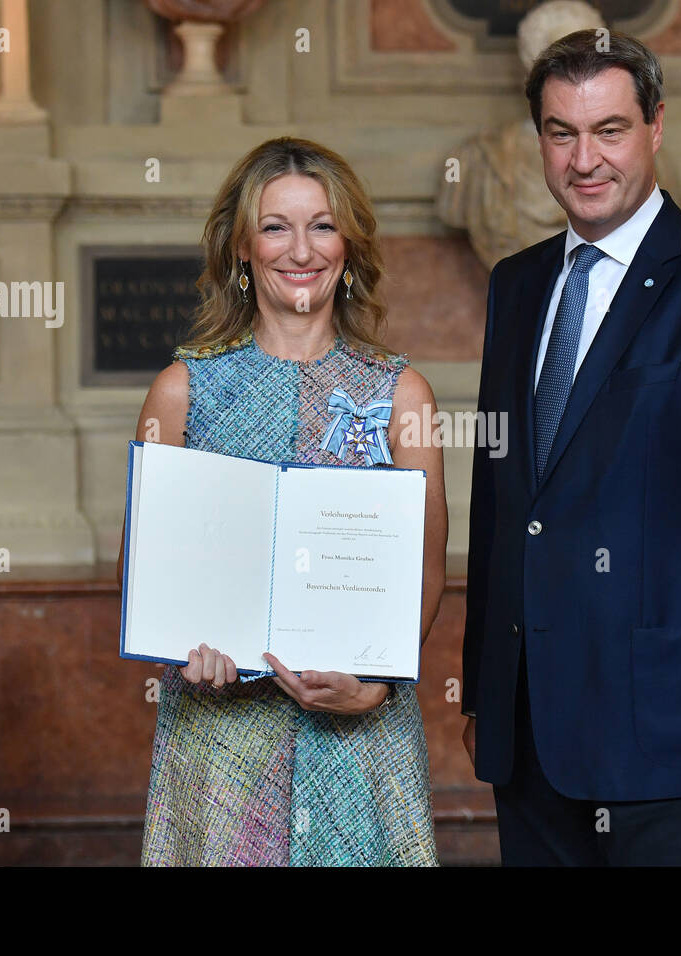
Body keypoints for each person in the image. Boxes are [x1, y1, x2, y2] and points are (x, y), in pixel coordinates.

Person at [460, 30, 681, 866]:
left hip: (673, 737)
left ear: (656, 127)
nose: (584, 159)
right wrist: (486, 685)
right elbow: (501, 502)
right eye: (562, 133)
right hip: (528, 733)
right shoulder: (517, 283)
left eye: (610, 130)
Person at [120, 136, 447, 866]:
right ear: (242, 247)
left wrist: (378, 686)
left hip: (361, 737)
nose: (301, 250)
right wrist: (187, 647)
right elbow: (141, 572)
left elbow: (427, 568)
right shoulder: (181, 390)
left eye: (322, 226)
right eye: (275, 227)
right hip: (222, 740)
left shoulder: (403, 394)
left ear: (349, 245)